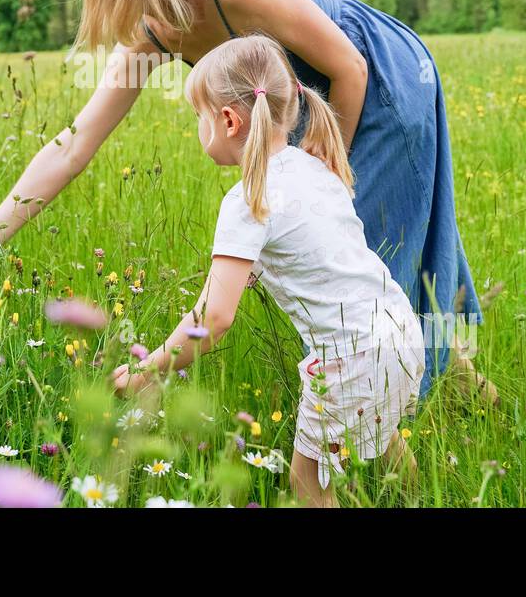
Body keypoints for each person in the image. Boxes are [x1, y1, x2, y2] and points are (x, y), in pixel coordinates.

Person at [0, 0, 497, 403]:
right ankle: (470, 392)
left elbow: (349, 63)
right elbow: (72, 147)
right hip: (311, 96)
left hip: (380, 81)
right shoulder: (153, 34)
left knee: (364, 257)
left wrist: (322, 179)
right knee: (361, 265)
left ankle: (395, 422)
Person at [110, 35, 424, 506]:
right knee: (381, 435)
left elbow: (214, 320)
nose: (198, 127)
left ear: (228, 121)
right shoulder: (315, 167)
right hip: (399, 333)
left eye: (199, 116)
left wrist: (148, 371)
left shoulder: (246, 200)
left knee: (306, 484)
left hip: (351, 356)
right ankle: (422, 497)